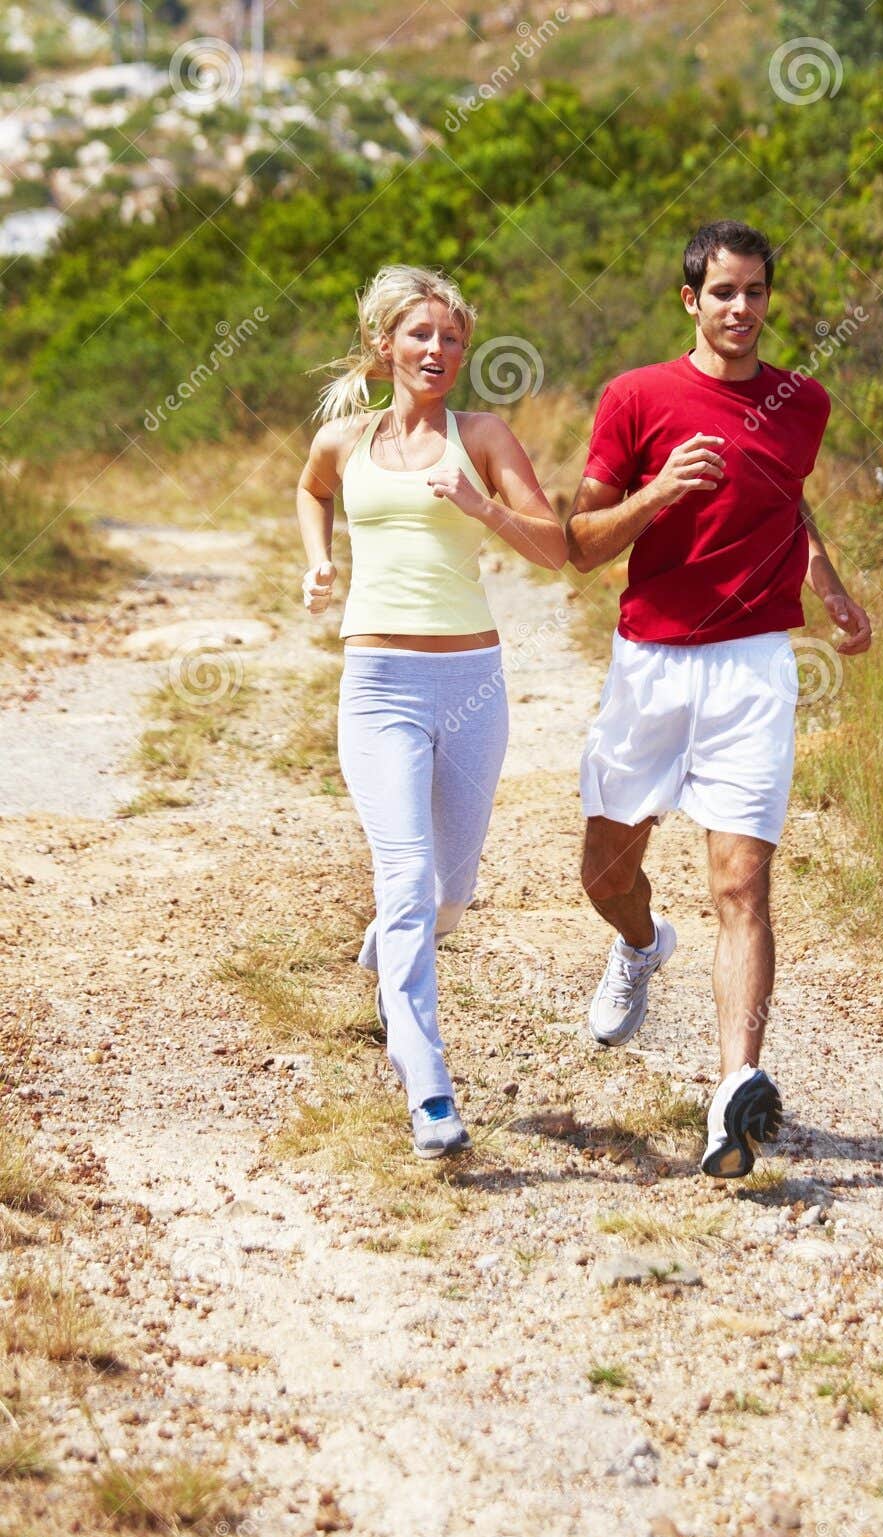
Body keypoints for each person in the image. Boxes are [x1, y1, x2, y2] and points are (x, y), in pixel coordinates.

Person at [566, 220, 871, 1179]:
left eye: (755, 292)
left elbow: (785, 496)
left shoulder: (801, 402)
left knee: (740, 885)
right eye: (723, 293)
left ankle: (734, 1092)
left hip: (753, 667)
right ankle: (640, 945)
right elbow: (580, 541)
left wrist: (828, 583)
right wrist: (659, 492)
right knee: (605, 874)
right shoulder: (636, 396)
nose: (741, 309)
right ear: (689, 300)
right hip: (650, 663)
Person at [296, 264, 566, 1160]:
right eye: (420, 334)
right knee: (407, 880)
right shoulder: (343, 439)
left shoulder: (481, 436)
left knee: (450, 893)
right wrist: (318, 561)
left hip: (472, 684)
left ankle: (392, 951)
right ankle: (428, 1088)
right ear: (385, 346)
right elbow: (311, 490)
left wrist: (481, 505)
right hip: (377, 686)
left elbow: (555, 549)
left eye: (452, 338)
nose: (437, 349)